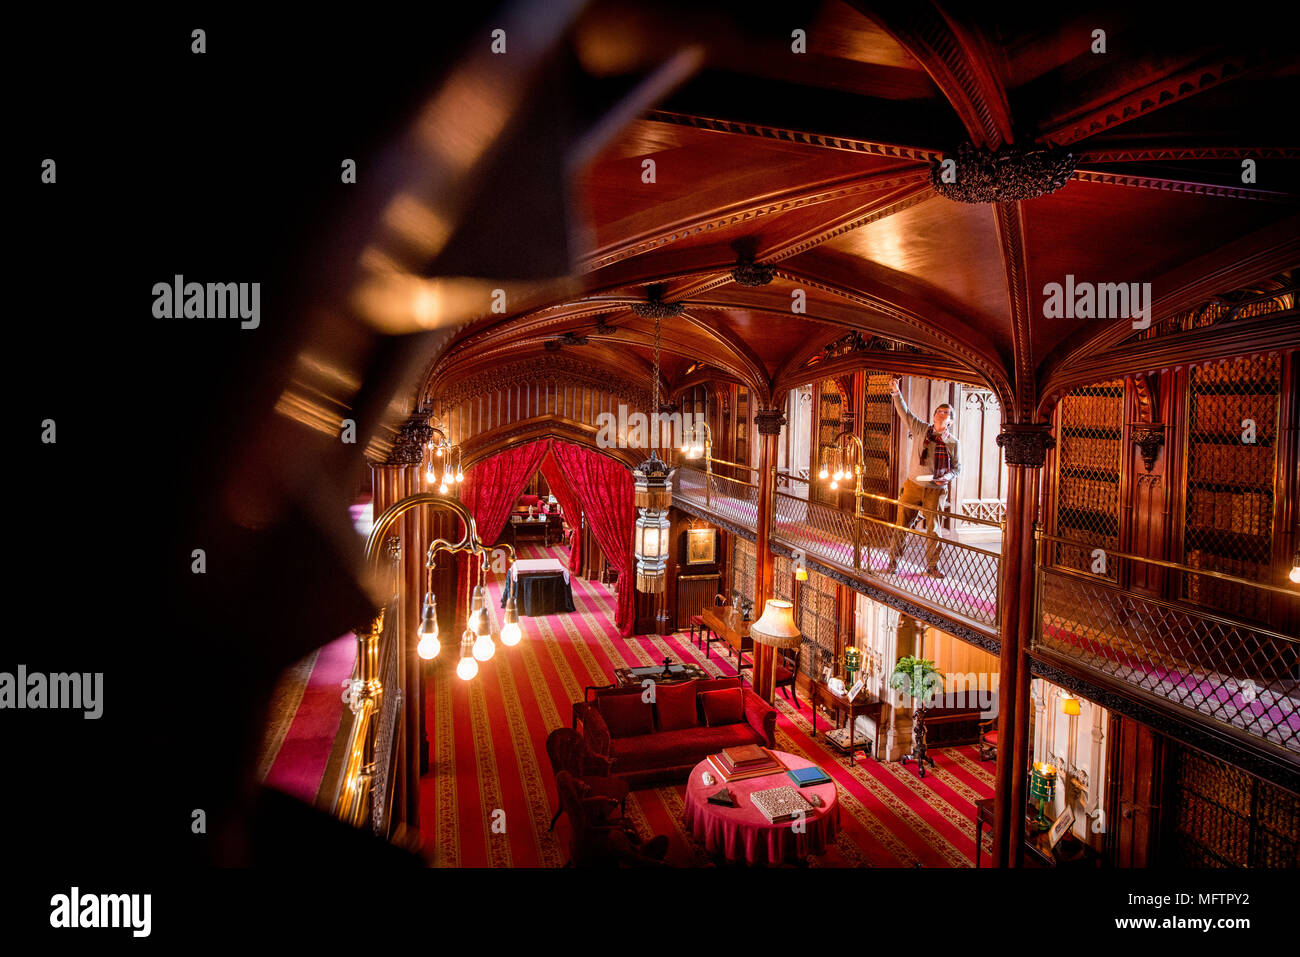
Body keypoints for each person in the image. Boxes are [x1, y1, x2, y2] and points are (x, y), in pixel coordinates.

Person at [887, 377, 961, 577]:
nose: (941, 414)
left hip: (936, 490)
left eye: (946, 413)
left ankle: (932, 565)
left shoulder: (953, 443)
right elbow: (905, 413)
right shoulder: (921, 429)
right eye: (939, 411)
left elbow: (957, 468)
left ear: (950, 421)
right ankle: (893, 562)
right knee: (901, 524)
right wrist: (896, 392)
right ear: (934, 415)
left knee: (933, 530)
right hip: (913, 485)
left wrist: (947, 477)